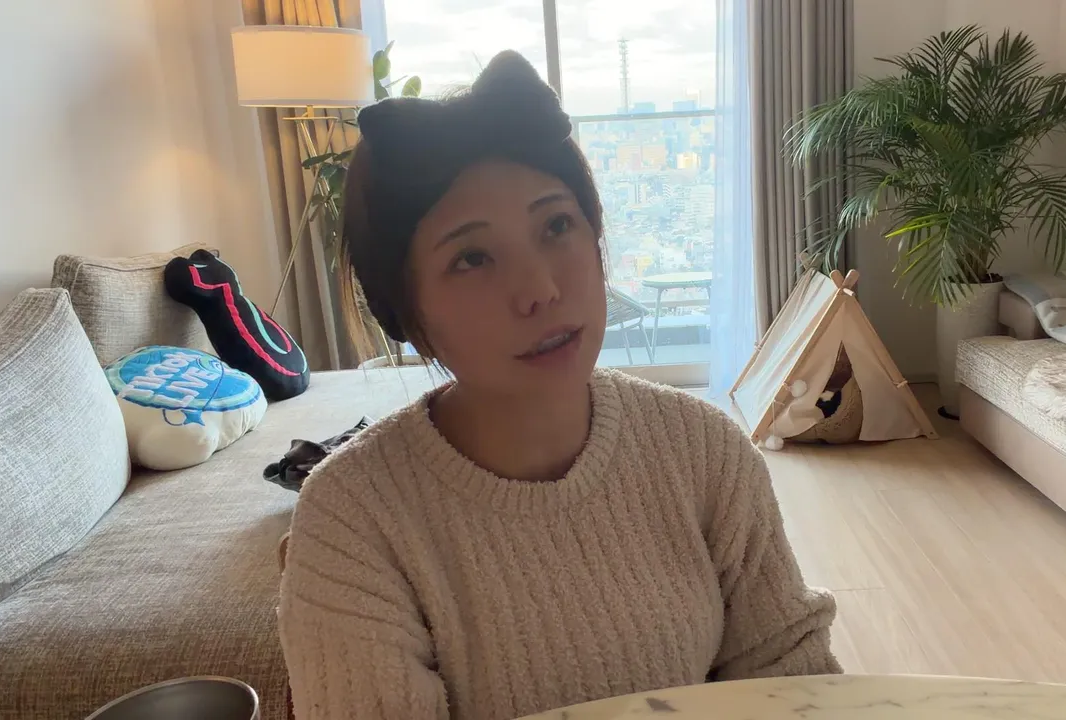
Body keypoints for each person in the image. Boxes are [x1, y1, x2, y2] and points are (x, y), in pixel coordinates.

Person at [277, 50, 841, 720]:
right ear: (403, 310)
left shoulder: (703, 451)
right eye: (472, 258)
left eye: (556, 226)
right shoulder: (353, 517)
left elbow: (789, 675)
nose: (540, 289)